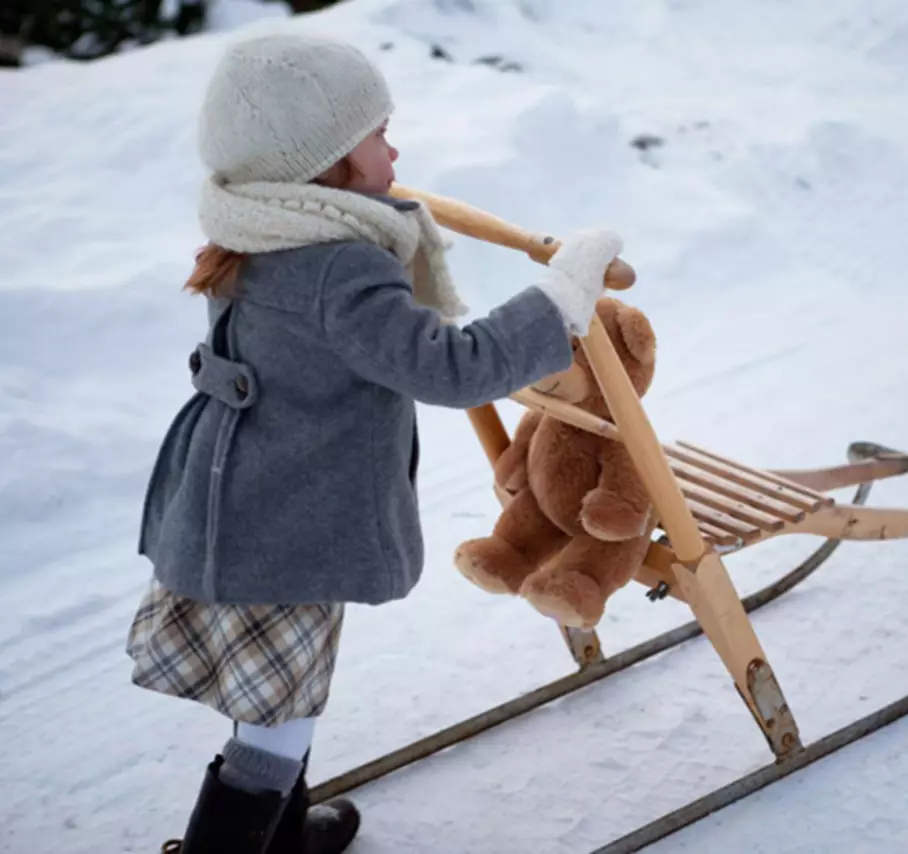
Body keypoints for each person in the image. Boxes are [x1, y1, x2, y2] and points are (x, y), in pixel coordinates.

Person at [125, 31, 623, 854]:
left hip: (244, 496)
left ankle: (277, 841)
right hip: (287, 523)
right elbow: (453, 368)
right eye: (377, 132)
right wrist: (564, 294)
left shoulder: (258, 228)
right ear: (324, 160)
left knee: (285, 692)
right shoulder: (339, 268)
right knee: (278, 722)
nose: (395, 145)